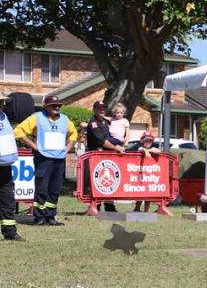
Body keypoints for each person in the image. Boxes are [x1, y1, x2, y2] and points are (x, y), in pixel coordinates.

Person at [14, 94, 77, 226]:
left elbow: (74, 133)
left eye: (58, 106)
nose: (57, 108)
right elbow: (18, 131)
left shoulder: (64, 119)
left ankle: (50, 216)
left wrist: (68, 147)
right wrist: (33, 145)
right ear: (46, 107)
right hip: (43, 158)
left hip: (59, 159)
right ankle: (39, 217)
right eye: (53, 106)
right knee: (42, 188)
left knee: (55, 188)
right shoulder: (37, 117)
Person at [83, 100, 125, 212]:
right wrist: (116, 147)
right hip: (95, 158)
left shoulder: (107, 122)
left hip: (107, 157)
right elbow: (102, 141)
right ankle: (95, 206)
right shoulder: (93, 123)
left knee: (110, 182)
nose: (102, 110)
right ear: (94, 110)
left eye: (104, 108)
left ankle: (109, 206)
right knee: (96, 182)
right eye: (99, 108)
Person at [0, 92, 26, 241]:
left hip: (5, 167)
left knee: (7, 201)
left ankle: (10, 233)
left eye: (2, 102)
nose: (1, 105)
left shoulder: (4, 117)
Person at [131, 132, 162, 212]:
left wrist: (149, 151)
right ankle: (137, 208)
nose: (148, 142)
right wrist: (145, 150)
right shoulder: (140, 148)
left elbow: (158, 151)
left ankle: (146, 211)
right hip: (140, 174)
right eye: (146, 140)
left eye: (150, 140)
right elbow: (142, 150)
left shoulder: (153, 148)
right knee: (140, 192)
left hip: (149, 174)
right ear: (142, 141)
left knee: (149, 194)